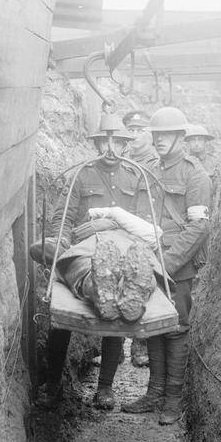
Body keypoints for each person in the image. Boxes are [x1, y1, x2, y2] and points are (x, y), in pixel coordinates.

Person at [30, 116, 143, 411]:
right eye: (103, 141)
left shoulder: (135, 178)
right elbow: (63, 216)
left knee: (114, 318)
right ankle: (53, 383)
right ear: (95, 144)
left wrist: (114, 230)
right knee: (62, 315)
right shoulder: (81, 175)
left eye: (116, 142)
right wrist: (60, 244)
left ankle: (104, 388)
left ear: (125, 145)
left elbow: (141, 223)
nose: (109, 148)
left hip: (118, 253)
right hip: (83, 251)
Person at [122, 106, 211, 425]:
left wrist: (168, 264)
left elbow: (198, 227)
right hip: (149, 259)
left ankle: (172, 400)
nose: (159, 140)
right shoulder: (153, 170)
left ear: (180, 137)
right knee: (154, 326)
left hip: (177, 265)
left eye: (167, 135)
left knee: (175, 329)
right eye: (156, 135)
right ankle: (154, 393)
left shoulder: (194, 174)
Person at [121, 109, 157, 368]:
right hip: (121, 232)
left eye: (139, 130)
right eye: (130, 130)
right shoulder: (118, 159)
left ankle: (140, 343)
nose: (133, 136)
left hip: (147, 232)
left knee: (143, 286)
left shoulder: (158, 163)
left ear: (150, 134)